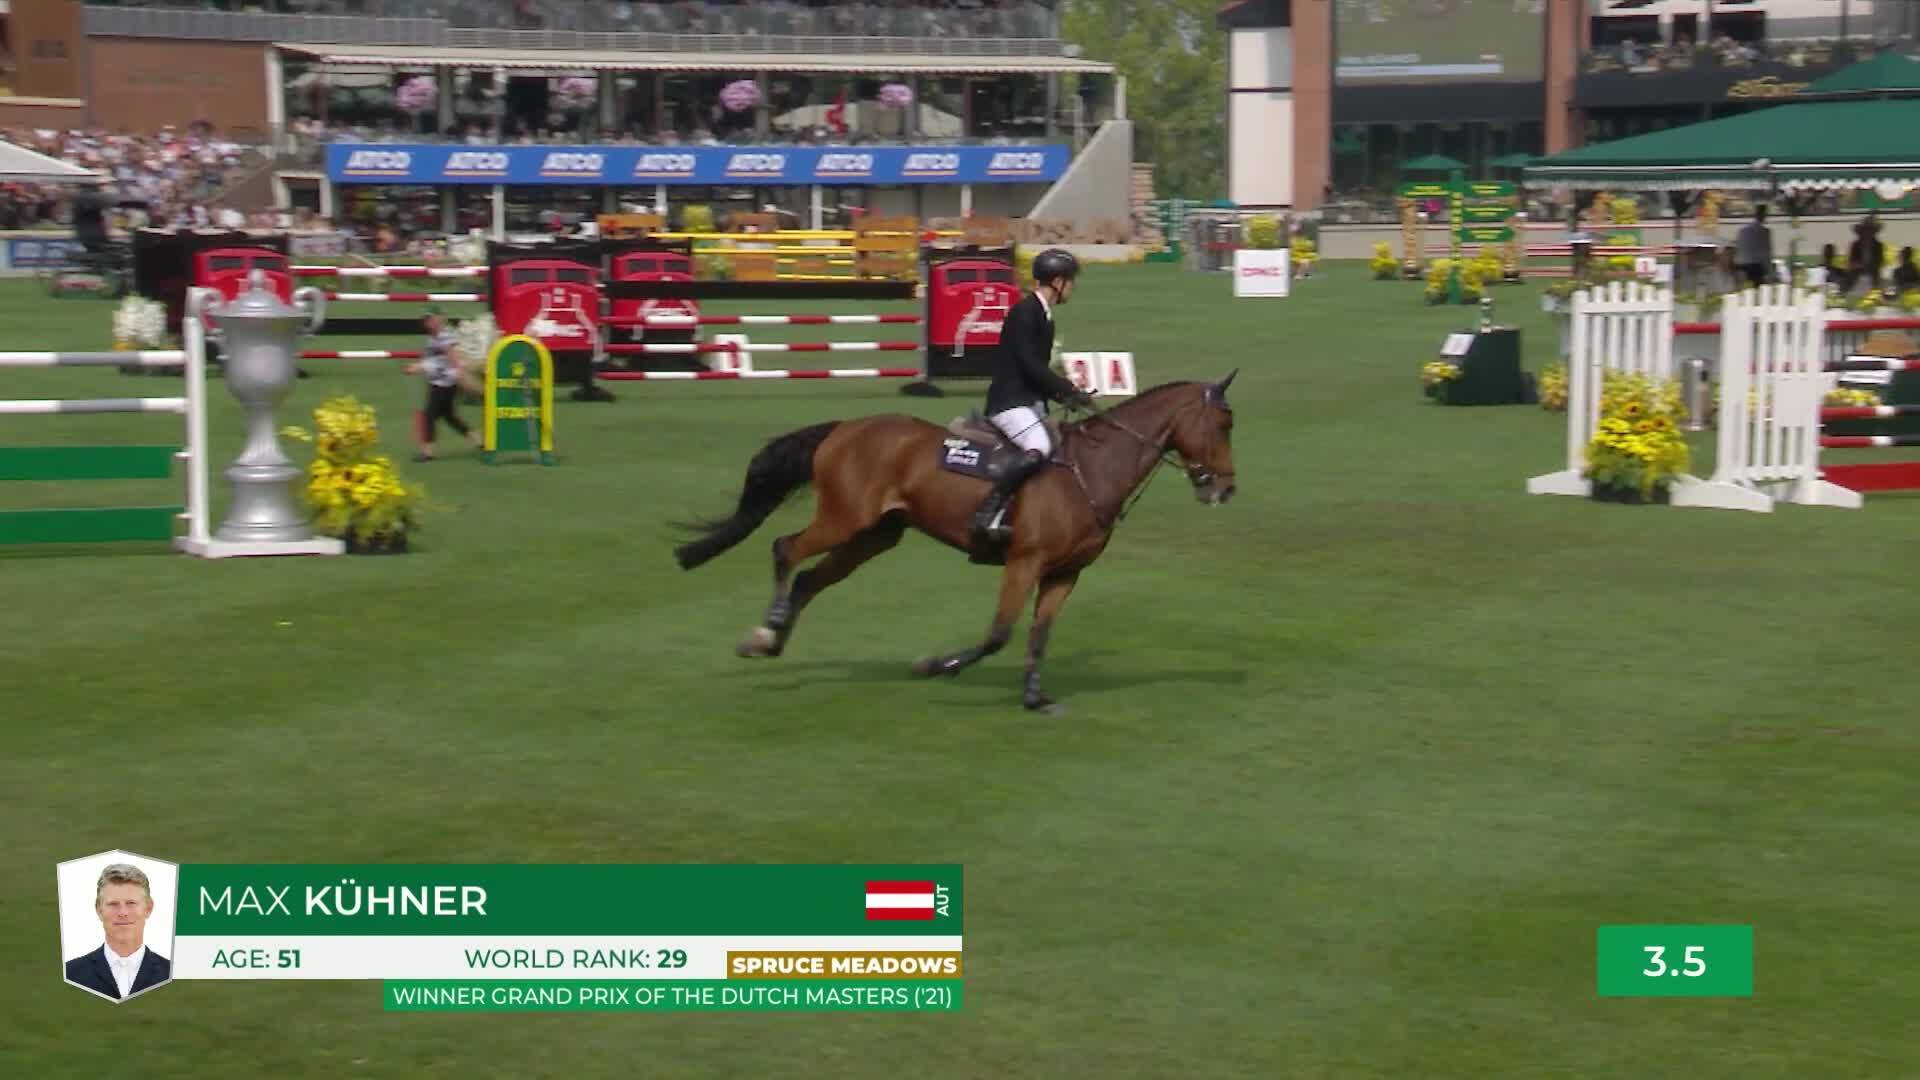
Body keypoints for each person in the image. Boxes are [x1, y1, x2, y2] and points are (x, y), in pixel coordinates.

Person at [970, 248, 1096, 553]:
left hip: (1029, 402)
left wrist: (1070, 396)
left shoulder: (1044, 316)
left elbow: (1036, 372)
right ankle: (988, 512)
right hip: (1010, 403)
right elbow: (1029, 365)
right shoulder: (1025, 312)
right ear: (1057, 282)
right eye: (1071, 281)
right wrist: (1065, 388)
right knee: (1038, 447)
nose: (1073, 287)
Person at [65, 863, 170, 1001]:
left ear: (148, 908)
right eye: (113, 904)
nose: (123, 913)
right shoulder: (70, 974)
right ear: (99, 910)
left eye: (131, 903)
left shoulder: (173, 974)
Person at [406, 309, 481, 461]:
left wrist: (458, 372)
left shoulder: (444, 336)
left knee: (430, 416)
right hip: (441, 381)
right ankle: (480, 441)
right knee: (449, 416)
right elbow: (436, 359)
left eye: (431, 319)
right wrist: (419, 366)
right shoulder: (434, 337)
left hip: (445, 382)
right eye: (426, 320)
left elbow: (450, 355)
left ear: (440, 319)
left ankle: (427, 453)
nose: (428, 323)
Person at [1734, 205, 1772, 288]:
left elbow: (1737, 247)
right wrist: (1769, 272)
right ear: (1764, 215)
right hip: (1755, 268)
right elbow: (1766, 253)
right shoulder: (1764, 231)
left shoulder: (1743, 230)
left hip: (1740, 266)